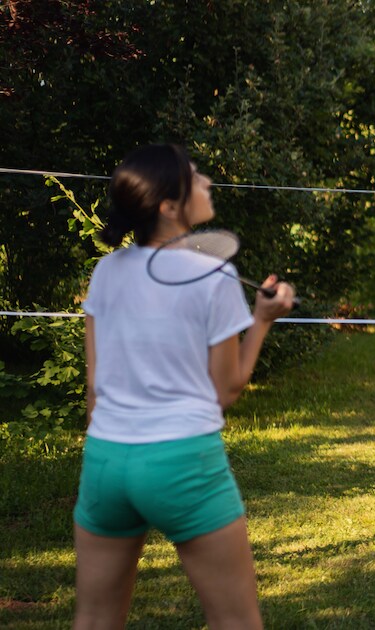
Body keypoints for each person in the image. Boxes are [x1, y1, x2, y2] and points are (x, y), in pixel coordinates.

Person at [75, 144, 294, 629]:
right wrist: (262, 320)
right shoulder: (213, 272)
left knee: (92, 620)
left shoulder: (105, 270)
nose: (207, 183)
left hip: (106, 459)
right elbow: (226, 391)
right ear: (169, 206)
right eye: (195, 178)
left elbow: (94, 390)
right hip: (181, 460)